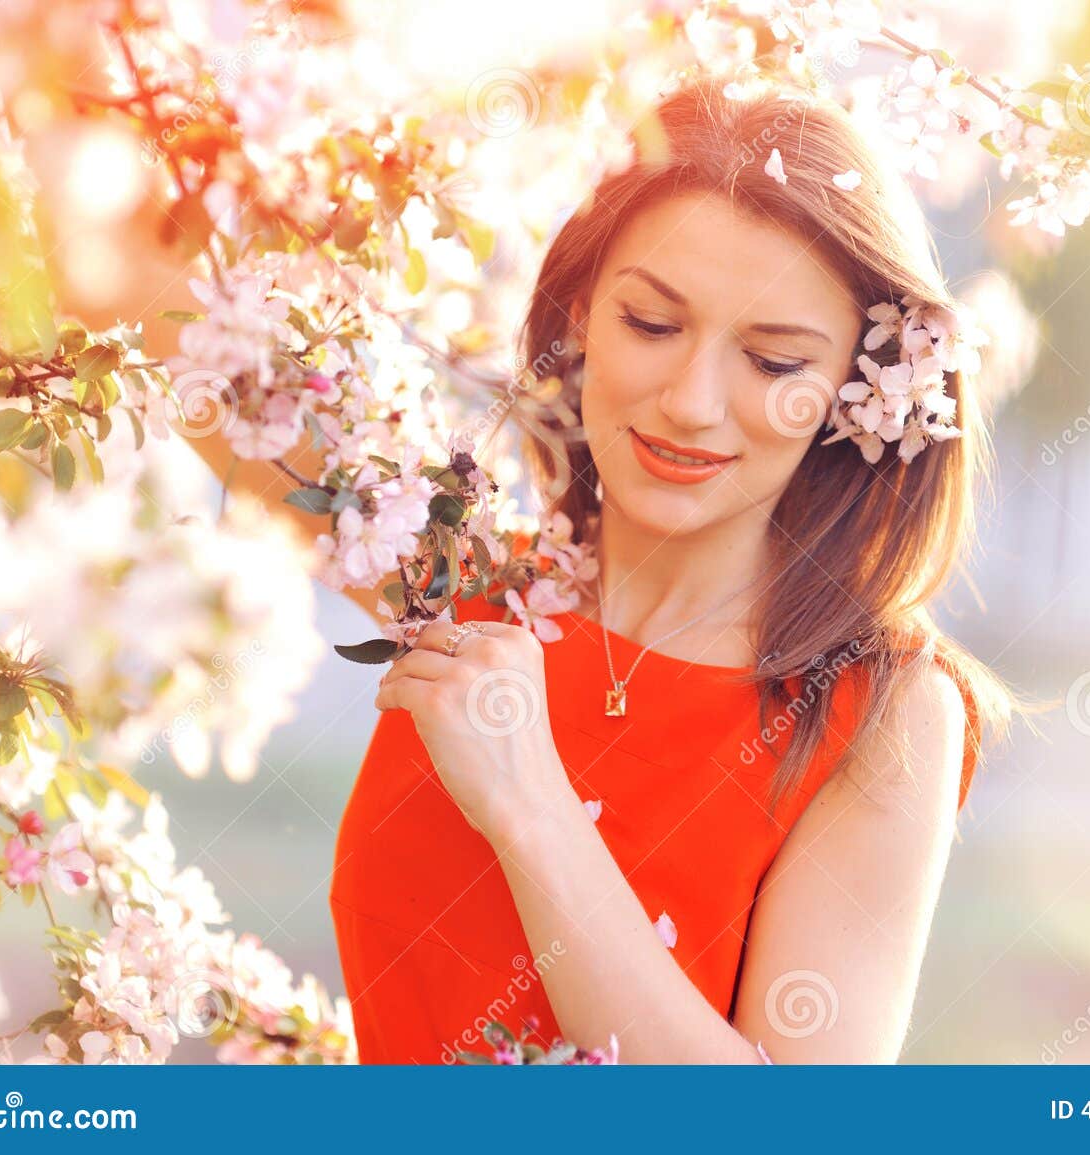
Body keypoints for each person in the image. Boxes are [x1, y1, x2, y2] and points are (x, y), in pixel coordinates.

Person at [326, 76, 1028, 1064]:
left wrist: (531, 806)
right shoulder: (456, 582)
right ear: (580, 314)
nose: (692, 403)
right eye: (652, 325)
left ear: (858, 387)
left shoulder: (882, 712)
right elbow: (156, 289)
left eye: (775, 362)